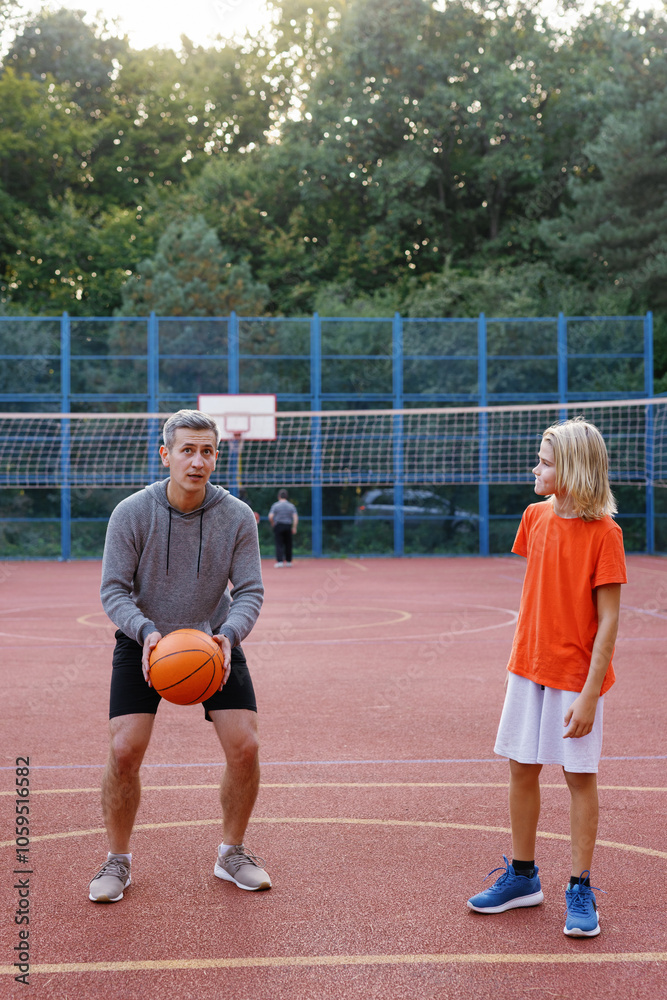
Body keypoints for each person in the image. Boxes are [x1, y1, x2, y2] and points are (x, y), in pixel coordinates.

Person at [89, 409, 271, 903]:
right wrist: (145, 632)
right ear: (166, 454)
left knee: (246, 748)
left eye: (207, 451)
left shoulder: (236, 516)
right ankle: (117, 861)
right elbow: (113, 591)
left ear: (217, 457)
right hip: (142, 640)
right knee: (125, 750)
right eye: (187, 450)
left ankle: (231, 852)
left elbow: (250, 590)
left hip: (212, 643)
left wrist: (229, 636)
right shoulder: (131, 513)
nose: (197, 461)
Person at [466, 417, 626, 937]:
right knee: (520, 768)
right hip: (527, 667)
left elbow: (608, 624)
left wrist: (587, 695)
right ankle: (523, 877)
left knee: (579, 778)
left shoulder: (606, 533)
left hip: (575, 678)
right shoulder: (534, 517)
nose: (536, 468)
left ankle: (580, 887)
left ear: (575, 469)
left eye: (546, 461)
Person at [268, 488, 298, 567]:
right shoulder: (291, 506)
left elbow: (270, 516)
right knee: (288, 544)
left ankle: (280, 561)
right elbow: (295, 517)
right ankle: (288, 561)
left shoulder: (275, 505)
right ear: (287, 496)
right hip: (288, 526)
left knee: (279, 543)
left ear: (279, 496)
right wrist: (294, 527)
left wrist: (273, 523)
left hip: (279, 525)